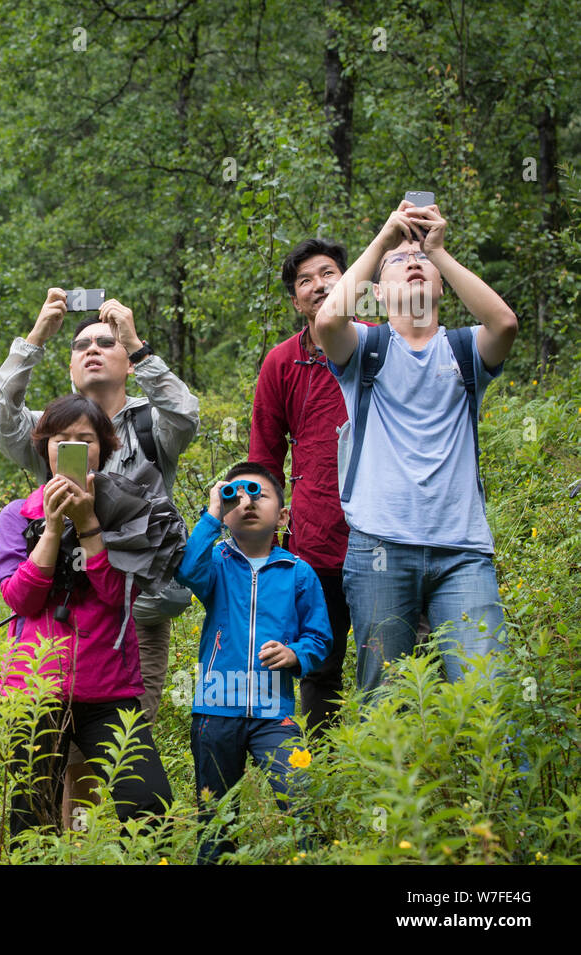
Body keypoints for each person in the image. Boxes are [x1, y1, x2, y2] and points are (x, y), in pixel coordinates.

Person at [0, 290, 199, 819]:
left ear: (127, 360)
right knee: (53, 772)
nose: (93, 349)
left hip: (132, 616)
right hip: (52, 619)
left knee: (119, 757)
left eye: (107, 343)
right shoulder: (53, 429)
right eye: (82, 345)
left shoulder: (151, 424)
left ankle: (100, 842)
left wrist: (139, 345)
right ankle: (75, 847)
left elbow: (186, 413)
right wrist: (35, 339)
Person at [315, 200, 517, 702]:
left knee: (487, 695)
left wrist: (438, 251)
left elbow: (506, 324)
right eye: (397, 263)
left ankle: (495, 784)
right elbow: (326, 322)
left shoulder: (466, 348)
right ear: (377, 292)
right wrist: (384, 239)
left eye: (421, 261)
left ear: (442, 284)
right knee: (386, 700)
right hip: (379, 546)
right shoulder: (366, 349)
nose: (412, 262)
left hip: (463, 551)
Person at [0, 394, 173, 842]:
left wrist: (89, 522)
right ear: (45, 447)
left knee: (149, 806)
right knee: (31, 820)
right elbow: (21, 600)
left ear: (104, 448)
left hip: (109, 690)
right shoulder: (18, 515)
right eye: (61, 439)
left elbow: (117, 596)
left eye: (85, 439)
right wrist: (53, 528)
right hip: (37, 690)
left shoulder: (129, 510)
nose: (71, 447)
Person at [174, 463, 332, 863]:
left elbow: (319, 637)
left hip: (273, 713)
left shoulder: (298, 573)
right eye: (238, 496)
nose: (248, 502)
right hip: (214, 711)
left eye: (259, 495)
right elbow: (187, 570)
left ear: (282, 516)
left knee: (301, 797)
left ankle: (313, 856)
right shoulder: (217, 562)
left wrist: (296, 653)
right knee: (215, 818)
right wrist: (213, 514)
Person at [249, 238, 358, 737]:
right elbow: (264, 459)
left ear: (351, 283)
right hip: (316, 539)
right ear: (296, 301)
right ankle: (320, 781)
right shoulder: (281, 363)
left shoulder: (381, 344)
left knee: (403, 657)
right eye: (305, 281)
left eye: (328, 273)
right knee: (320, 662)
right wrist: (263, 546)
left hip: (388, 534)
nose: (318, 286)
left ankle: (401, 772)